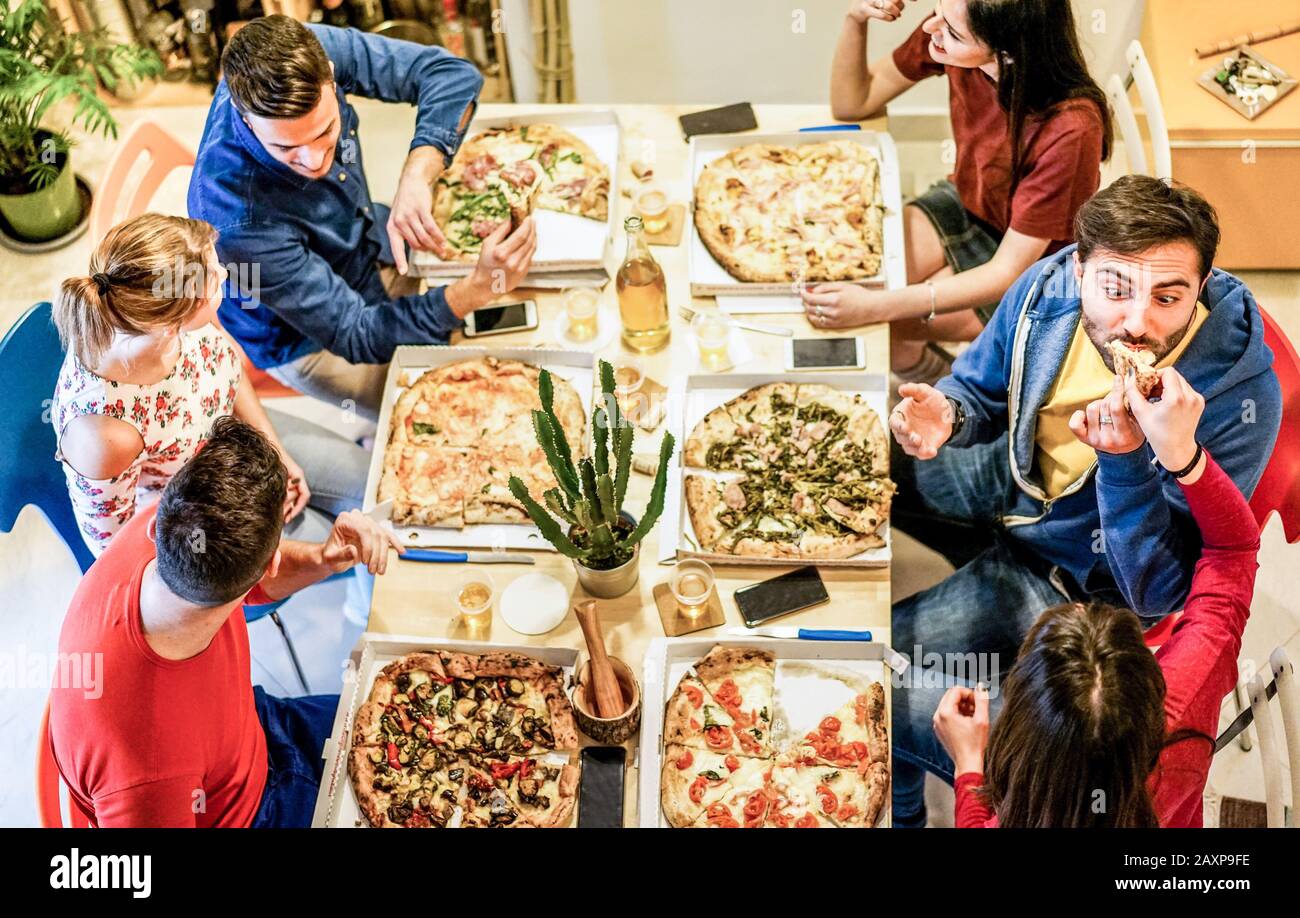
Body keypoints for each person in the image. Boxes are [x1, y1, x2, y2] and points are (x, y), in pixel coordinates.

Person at [887, 175, 1280, 827]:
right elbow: (980, 391)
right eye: (1115, 289)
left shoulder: (1238, 401)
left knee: (884, 687)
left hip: (1078, 588)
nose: (1136, 322)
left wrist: (1129, 462)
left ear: (1203, 285)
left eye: (1169, 297)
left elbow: (1159, 590)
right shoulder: (1044, 293)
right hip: (1014, 495)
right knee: (863, 472)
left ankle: (904, 810)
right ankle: (904, 803)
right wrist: (949, 414)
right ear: (1077, 271)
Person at [930, 382, 1258, 827]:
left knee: (896, 693)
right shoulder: (1188, 699)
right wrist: (1184, 455)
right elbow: (1233, 549)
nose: (1083, 606)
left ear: (1015, 739)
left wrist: (969, 763)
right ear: (1152, 689)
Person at [49, 417, 403, 827]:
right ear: (272, 563)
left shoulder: (160, 533)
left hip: (253, 732)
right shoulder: (145, 769)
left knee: (413, 723)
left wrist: (323, 557)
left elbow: (240, 577)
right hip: (250, 815)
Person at [188, 15, 537, 420]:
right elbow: (359, 334)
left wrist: (418, 171)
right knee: (442, 413)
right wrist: (478, 288)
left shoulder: (307, 51)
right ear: (246, 119)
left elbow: (451, 74)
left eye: (325, 131)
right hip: (307, 338)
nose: (316, 160)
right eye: (288, 149)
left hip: (365, 234)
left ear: (332, 77)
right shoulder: (236, 221)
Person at [818, 0, 1111, 387]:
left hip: (1036, 267)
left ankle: (953, 403)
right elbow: (851, 103)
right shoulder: (951, 33)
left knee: (886, 325)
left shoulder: (1071, 129)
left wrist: (874, 307)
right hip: (971, 203)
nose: (930, 28)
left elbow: (1007, 271)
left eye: (953, 32)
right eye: (938, 9)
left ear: (1007, 53)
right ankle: (935, 378)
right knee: (854, 266)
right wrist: (855, 19)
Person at [52, 213, 367, 555]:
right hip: (197, 520)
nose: (225, 274)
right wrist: (248, 516)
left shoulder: (169, 313)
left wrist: (274, 450)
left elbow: (226, 369)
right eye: (215, 277)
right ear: (172, 325)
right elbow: (114, 550)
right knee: (354, 542)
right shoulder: (104, 434)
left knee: (375, 492)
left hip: (236, 438)